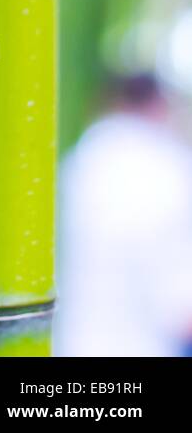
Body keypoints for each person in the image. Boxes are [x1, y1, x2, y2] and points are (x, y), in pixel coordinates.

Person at [56, 73, 192, 355]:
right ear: (158, 106)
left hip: (69, 342)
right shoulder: (169, 167)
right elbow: (179, 297)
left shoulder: (78, 162)